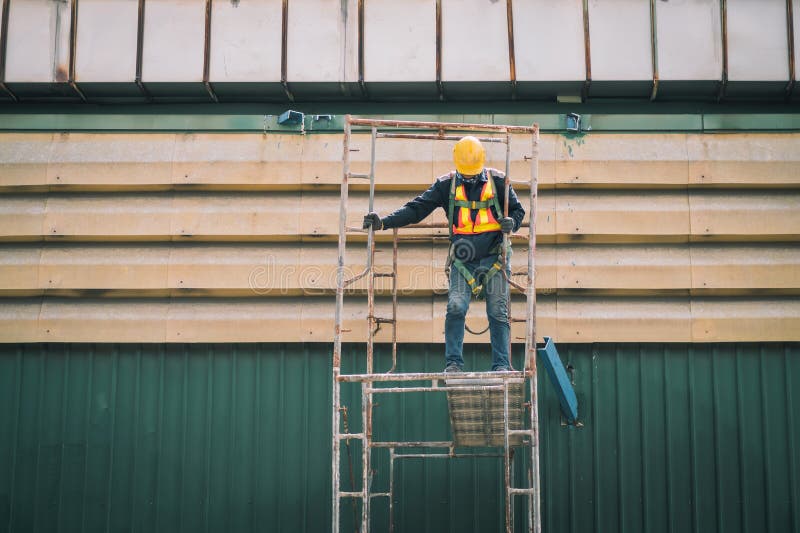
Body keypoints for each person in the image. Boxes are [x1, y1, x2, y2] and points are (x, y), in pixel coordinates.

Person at [362, 136, 525, 373]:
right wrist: (384, 223)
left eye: (473, 175)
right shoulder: (446, 185)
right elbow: (417, 208)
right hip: (463, 261)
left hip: (494, 258)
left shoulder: (499, 182)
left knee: (497, 311)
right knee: (456, 307)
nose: (469, 179)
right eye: (465, 175)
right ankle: (453, 364)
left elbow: (518, 210)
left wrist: (513, 223)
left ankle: (501, 365)